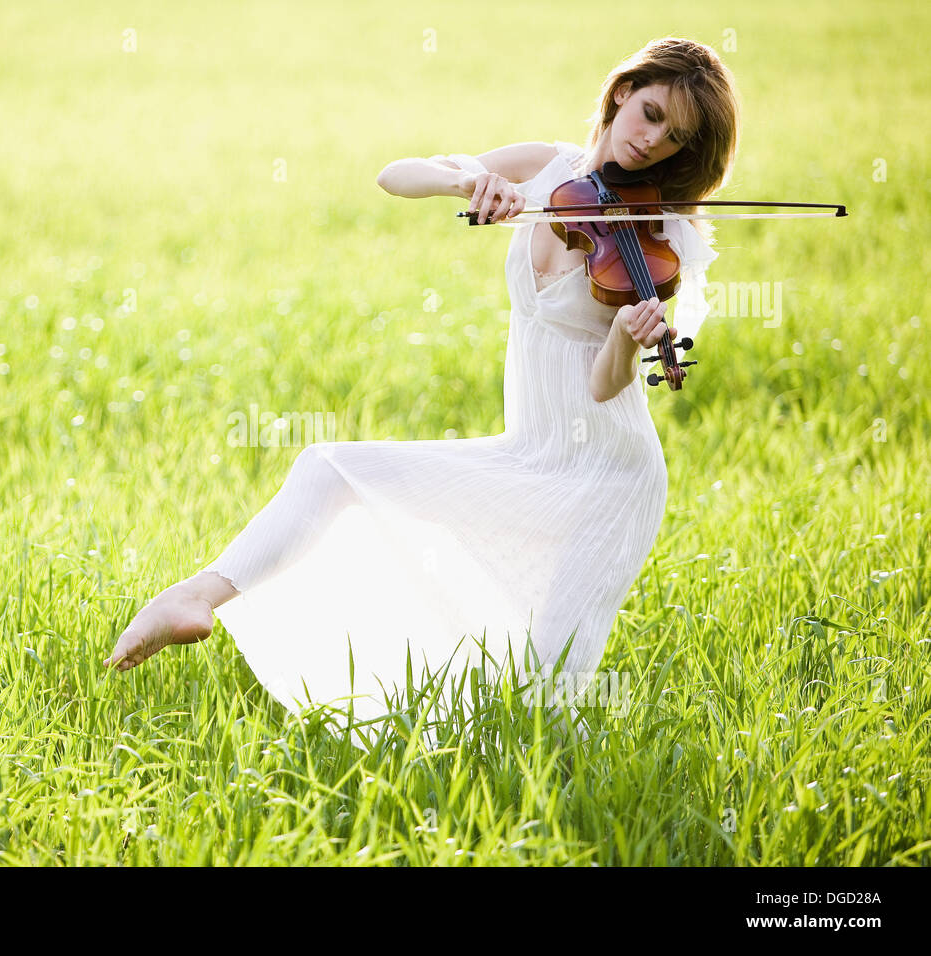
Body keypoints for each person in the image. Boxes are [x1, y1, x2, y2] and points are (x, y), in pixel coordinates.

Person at [104, 37, 740, 743]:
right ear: (623, 92)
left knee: (543, 711)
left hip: (607, 481)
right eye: (649, 113)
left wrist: (625, 336)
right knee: (329, 467)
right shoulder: (544, 169)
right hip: (530, 457)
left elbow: (605, 388)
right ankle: (197, 596)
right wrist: (463, 182)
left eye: (674, 136)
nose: (651, 141)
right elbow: (394, 174)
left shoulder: (659, 234)